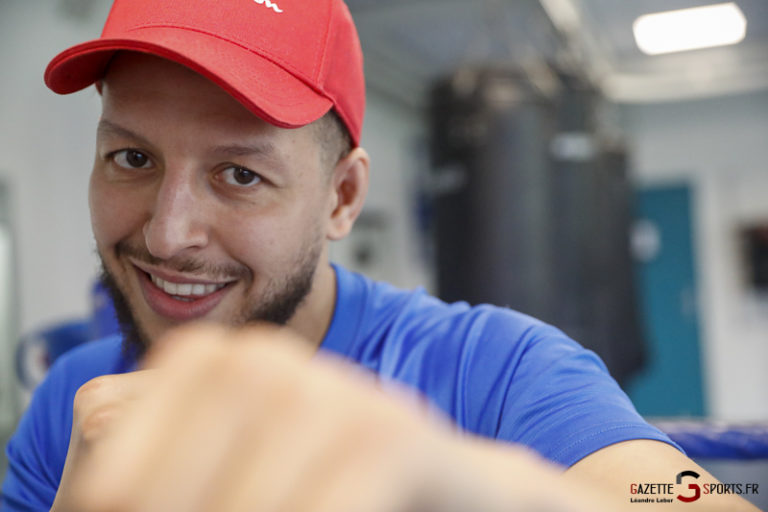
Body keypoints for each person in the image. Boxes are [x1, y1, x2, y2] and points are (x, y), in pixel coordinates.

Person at [0, 1, 760, 511]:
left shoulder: (497, 366)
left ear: (342, 198)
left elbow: (679, 499)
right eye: (132, 159)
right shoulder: (77, 401)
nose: (168, 235)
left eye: (240, 175)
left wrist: (454, 483)